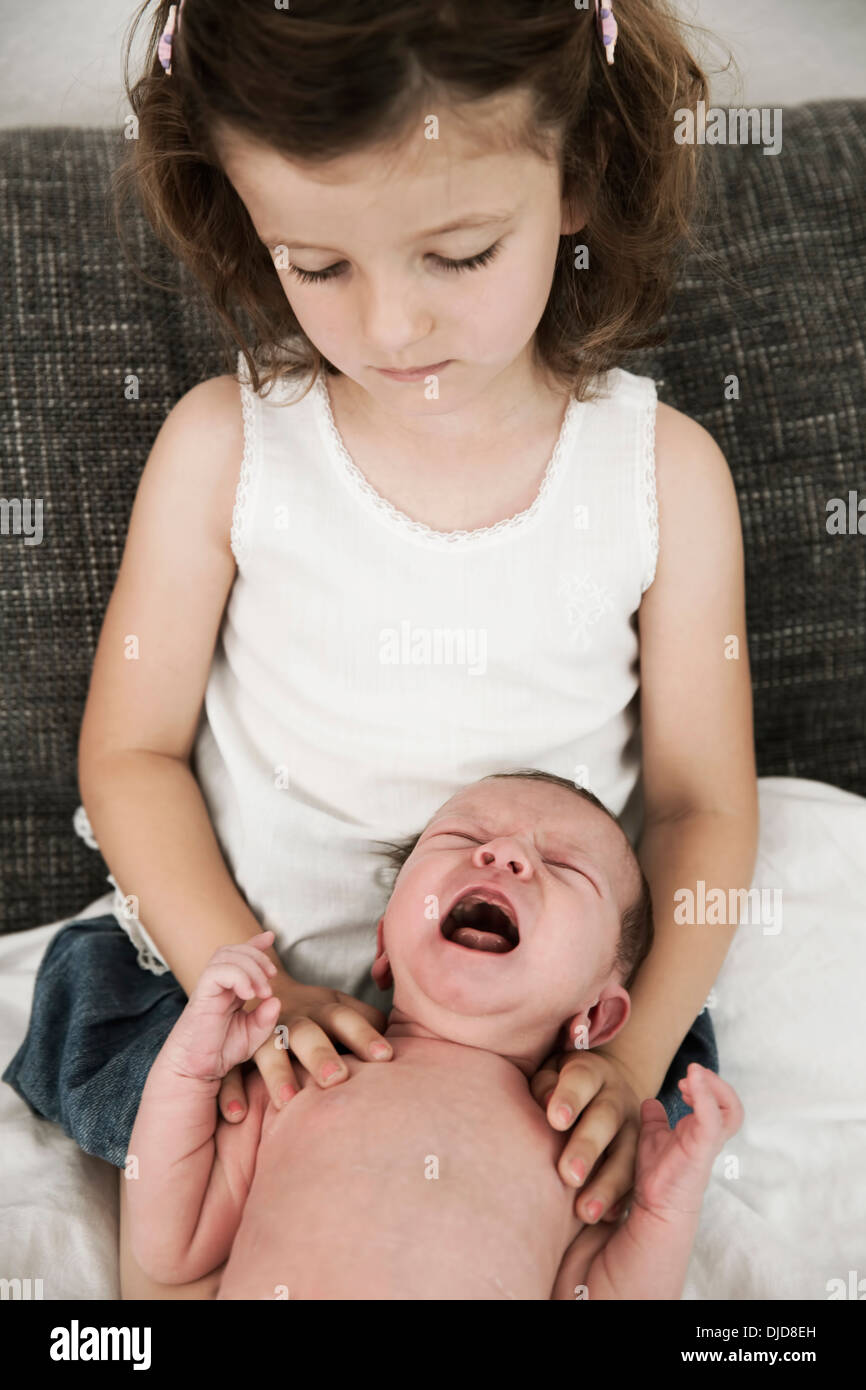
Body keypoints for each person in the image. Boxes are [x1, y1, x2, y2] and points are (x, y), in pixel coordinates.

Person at [4, 0, 758, 1301]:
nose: (391, 326)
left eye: (456, 254)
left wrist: (623, 1072)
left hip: (534, 1034)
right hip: (242, 991)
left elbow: (701, 806)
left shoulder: (659, 474)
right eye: (316, 263)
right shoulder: (226, 446)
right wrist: (239, 979)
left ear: (575, 175)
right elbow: (128, 756)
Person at [123, 772, 743, 1300]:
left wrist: (665, 1211)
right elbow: (169, 1247)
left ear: (598, 1018)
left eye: (564, 867)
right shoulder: (299, 1075)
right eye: (463, 838)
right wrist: (190, 1067)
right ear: (385, 943)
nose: (503, 854)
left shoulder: (576, 1139)